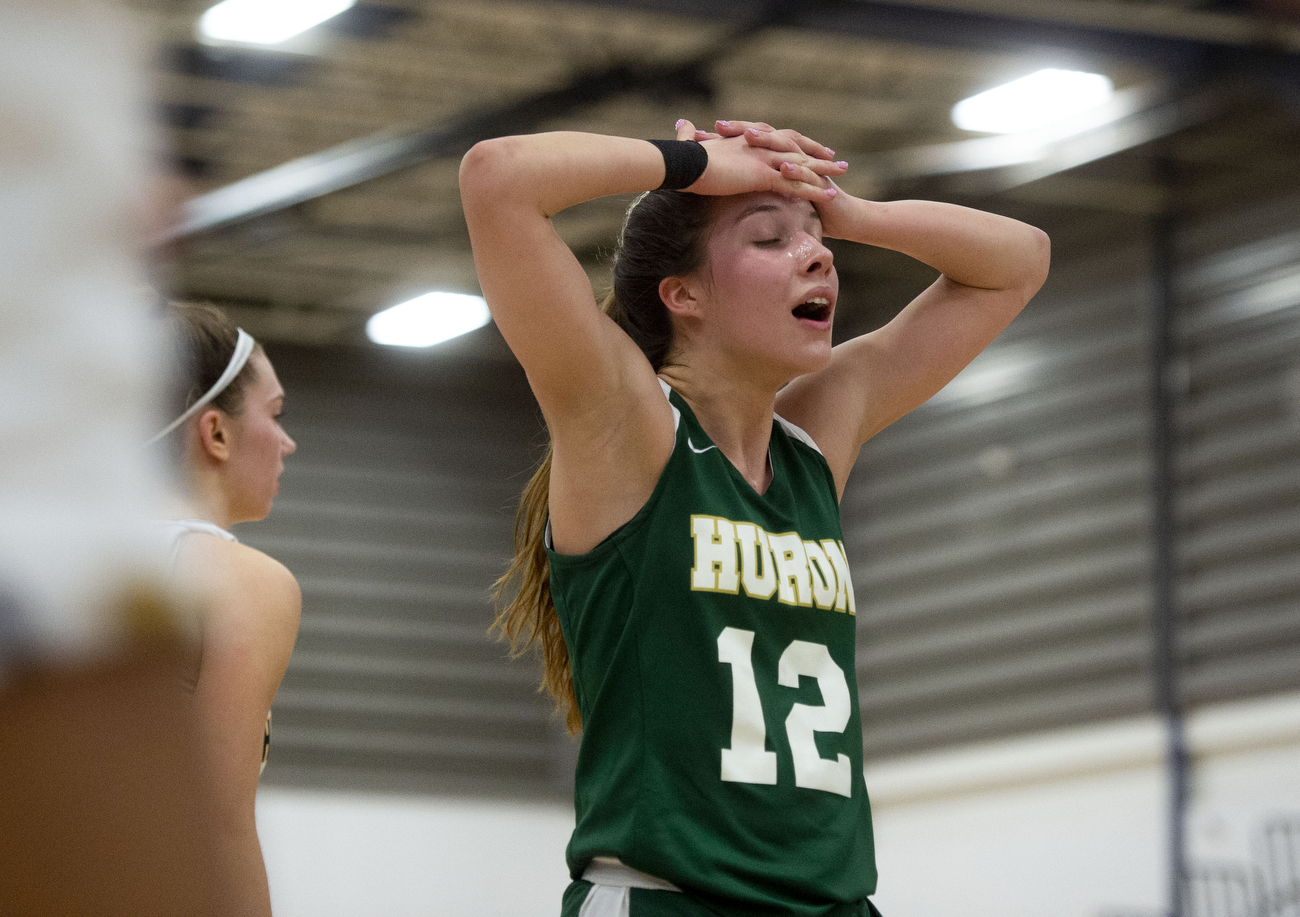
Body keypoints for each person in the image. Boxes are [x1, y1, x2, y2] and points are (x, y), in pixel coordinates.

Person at [460, 118, 1049, 917]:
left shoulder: (814, 438)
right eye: (770, 239)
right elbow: (497, 176)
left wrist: (842, 207)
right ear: (684, 294)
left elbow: (1018, 262)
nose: (818, 256)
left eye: (816, 240)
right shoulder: (628, 423)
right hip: (674, 899)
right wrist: (696, 165)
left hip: (832, 904)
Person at [153, 301, 302, 917]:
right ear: (214, 432)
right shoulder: (246, 583)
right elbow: (219, 829)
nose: (288, 443)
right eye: (275, 414)